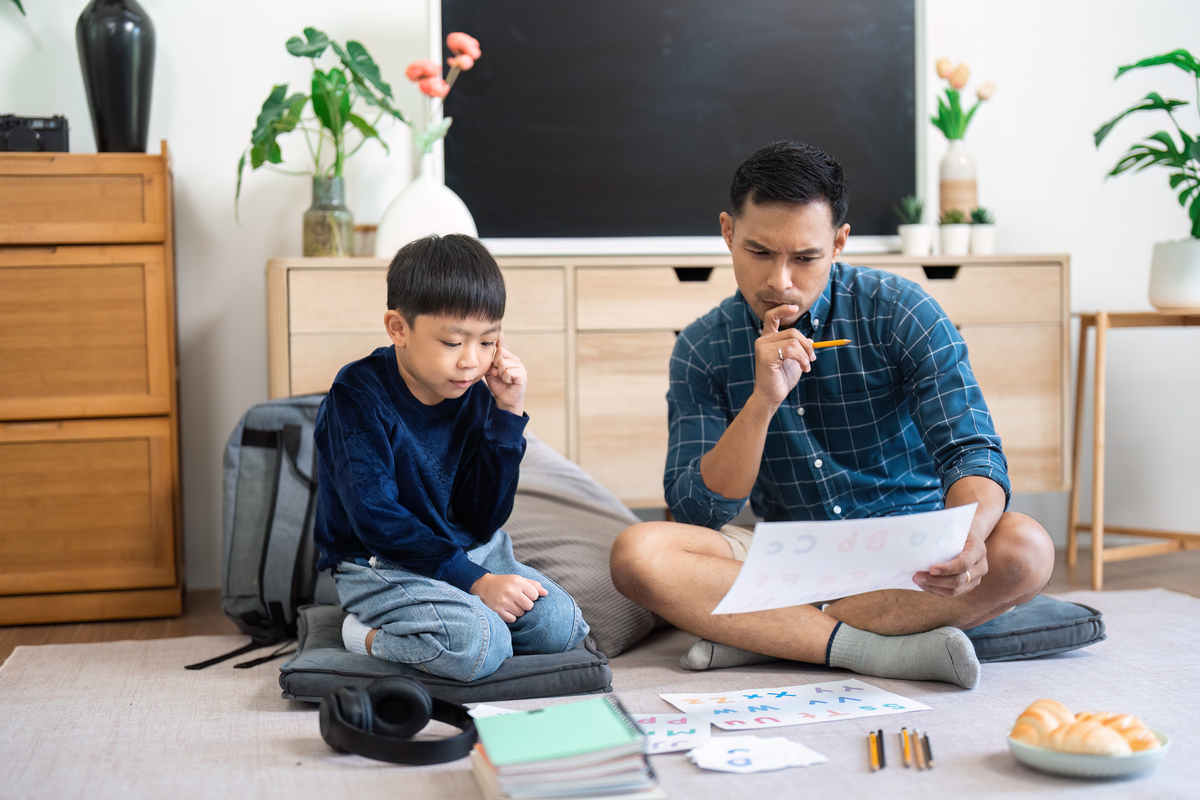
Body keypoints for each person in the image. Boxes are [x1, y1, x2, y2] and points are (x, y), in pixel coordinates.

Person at [609, 141, 1054, 689]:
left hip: (910, 543)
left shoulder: (899, 310)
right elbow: (697, 511)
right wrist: (762, 401)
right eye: (759, 252)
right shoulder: (702, 347)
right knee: (639, 553)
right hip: (791, 549)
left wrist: (970, 535)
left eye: (805, 257)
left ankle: (772, 634)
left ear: (839, 242)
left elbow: (970, 450)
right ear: (727, 232)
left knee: (1026, 549)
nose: (780, 281)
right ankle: (866, 647)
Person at [313, 234, 589, 682]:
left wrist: (507, 413)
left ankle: (457, 619)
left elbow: (484, 520)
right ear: (398, 328)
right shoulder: (356, 394)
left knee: (563, 626)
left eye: (487, 343)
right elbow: (375, 518)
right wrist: (476, 583)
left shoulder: (477, 394)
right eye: (452, 343)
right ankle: (362, 633)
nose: (471, 362)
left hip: (467, 552)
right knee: (480, 647)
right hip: (381, 561)